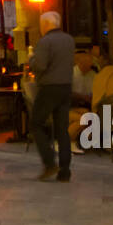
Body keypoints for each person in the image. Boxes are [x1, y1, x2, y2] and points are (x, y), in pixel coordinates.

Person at [28, 11, 75, 182]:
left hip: (49, 88)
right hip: (66, 87)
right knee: (62, 129)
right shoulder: (69, 40)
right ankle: (65, 170)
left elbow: (40, 65)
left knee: (36, 123)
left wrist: (31, 59)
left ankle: (49, 162)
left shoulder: (45, 41)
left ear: (46, 24)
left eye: (41, 25)